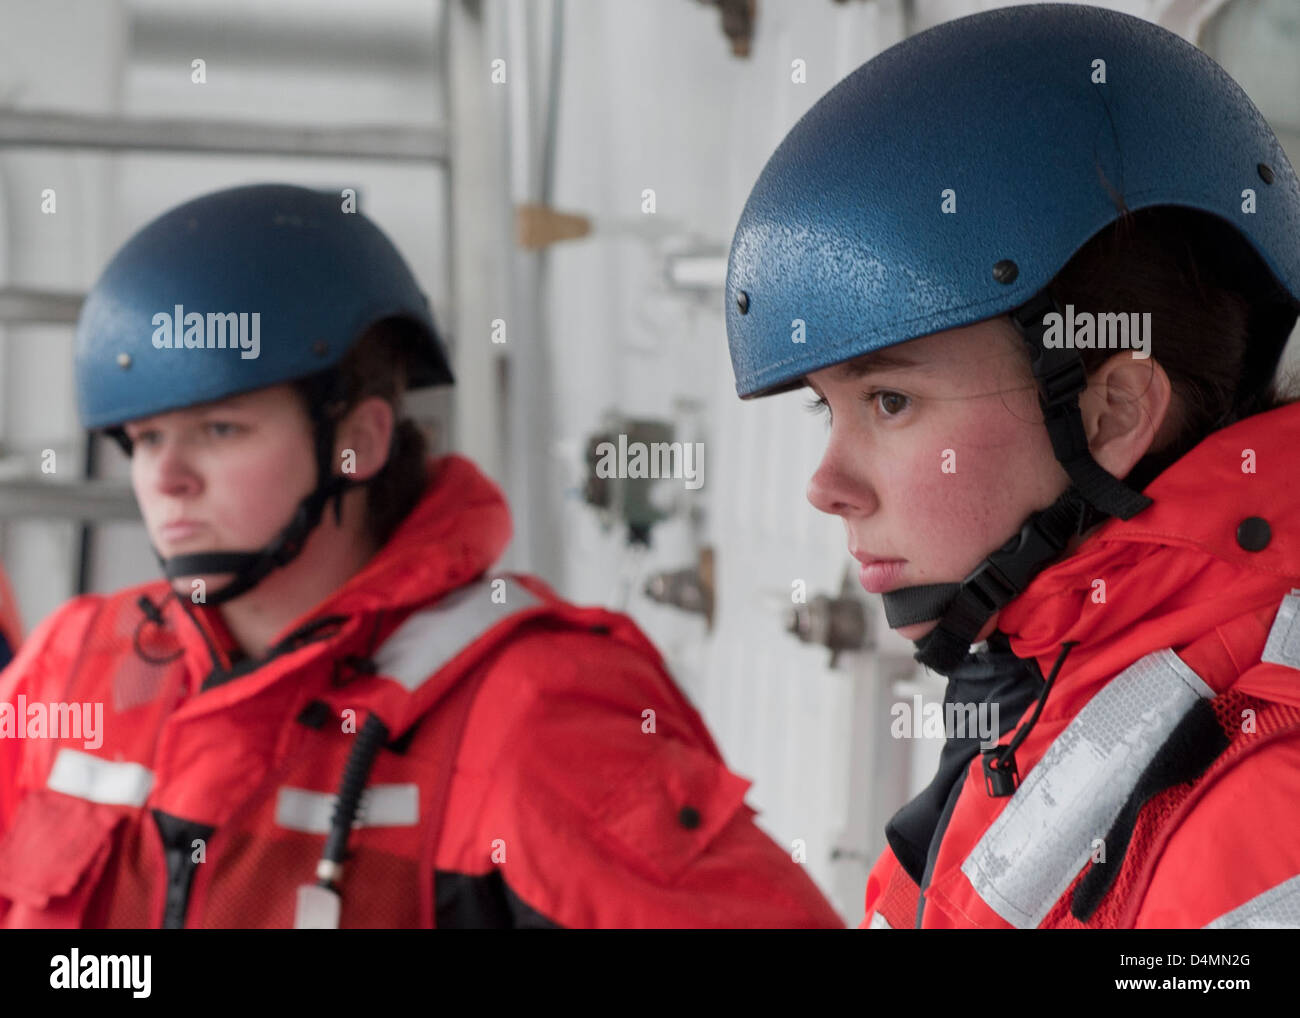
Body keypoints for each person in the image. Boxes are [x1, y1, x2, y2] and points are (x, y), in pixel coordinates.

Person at [0, 183, 843, 929]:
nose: (169, 479)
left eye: (221, 430)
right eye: (145, 440)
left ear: (357, 441)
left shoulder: (528, 707)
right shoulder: (76, 662)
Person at [724, 4, 1300, 929]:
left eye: (890, 402)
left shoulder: (1261, 804)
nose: (826, 486)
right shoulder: (1043, 694)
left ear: (1111, 412)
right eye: (821, 408)